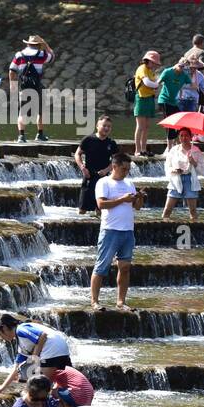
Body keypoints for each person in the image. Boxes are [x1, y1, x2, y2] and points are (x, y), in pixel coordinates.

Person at [91, 153, 145, 311]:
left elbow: (137, 207)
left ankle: (121, 301)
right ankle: (94, 301)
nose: (126, 172)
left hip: (128, 231)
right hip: (110, 230)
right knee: (101, 267)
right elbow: (101, 204)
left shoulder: (129, 183)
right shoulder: (104, 182)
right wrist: (123, 199)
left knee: (125, 267)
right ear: (114, 166)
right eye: (123, 169)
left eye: (128, 169)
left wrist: (139, 197)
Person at [8, 34, 54, 142]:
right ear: (38, 45)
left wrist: (13, 85)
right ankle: (40, 135)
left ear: (27, 43)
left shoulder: (19, 55)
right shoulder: (42, 54)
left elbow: (12, 70)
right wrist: (45, 44)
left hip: (24, 86)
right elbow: (52, 56)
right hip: (37, 86)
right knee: (41, 111)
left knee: (22, 112)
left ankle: (21, 136)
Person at [161, 127, 204, 221]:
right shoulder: (174, 150)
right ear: (178, 137)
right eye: (181, 135)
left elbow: (203, 170)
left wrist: (194, 162)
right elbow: (167, 166)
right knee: (167, 210)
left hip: (190, 180)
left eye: (186, 135)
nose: (183, 138)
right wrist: (174, 170)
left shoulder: (196, 151)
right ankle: (164, 227)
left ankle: (194, 229)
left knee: (193, 211)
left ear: (191, 137)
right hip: (176, 180)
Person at [75, 116, 119, 214]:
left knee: (100, 209)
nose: (107, 128)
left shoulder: (111, 143)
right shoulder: (88, 139)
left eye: (109, 126)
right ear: (97, 126)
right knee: (82, 209)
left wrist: (107, 170)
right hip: (89, 176)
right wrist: (82, 168)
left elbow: (116, 160)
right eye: (104, 126)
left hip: (104, 178)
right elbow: (77, 154)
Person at [132, 50, 162, 157]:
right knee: (140, 126)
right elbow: (147, 82)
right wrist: (155, 85)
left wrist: (155, 85)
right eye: (153, 62)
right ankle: (137, 150)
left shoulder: (150, 71)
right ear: (148, 60)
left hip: (149, 99)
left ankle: (143, 149)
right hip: (141, 99)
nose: (155, 65)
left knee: (146, 126)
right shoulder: (142, 68)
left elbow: (153, 84)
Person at [155, 57, 191, 146]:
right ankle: (169, 148)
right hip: (164, 100)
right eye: (182, 68)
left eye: (186, 69)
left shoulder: (184, 75)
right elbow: (158, 82)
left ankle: (177, 142)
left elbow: (192, 84)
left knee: (182, 122)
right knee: (170, 124)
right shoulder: (168, 72)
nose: (183, 71)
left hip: (174, 101)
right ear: (178, 65)